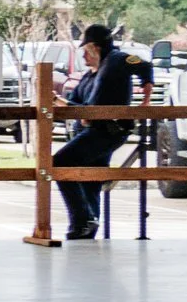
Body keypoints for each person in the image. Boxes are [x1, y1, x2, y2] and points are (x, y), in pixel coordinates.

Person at [55, 21, 150, 241]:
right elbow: (75, 105)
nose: (84, 56)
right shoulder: (89, 77)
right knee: (91, 179)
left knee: (60, 163)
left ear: (94, 47)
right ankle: (86, 229)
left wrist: (146, 100)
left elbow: (144, 66)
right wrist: (60, 103)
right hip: (91, 131)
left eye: (85, 50)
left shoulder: (119, 60)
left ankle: (83, 219)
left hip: (108, 131)